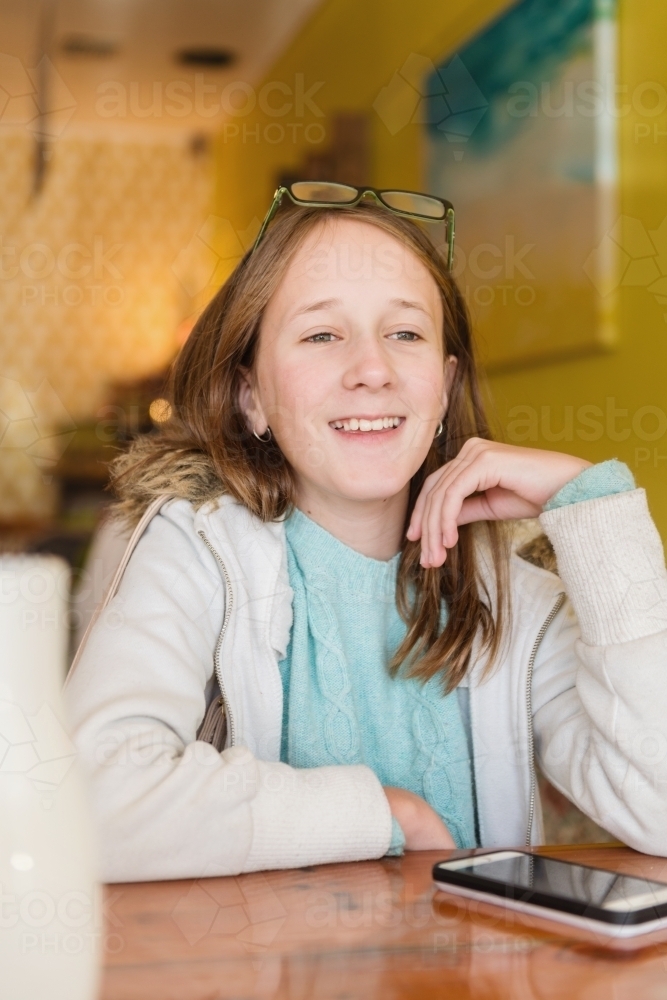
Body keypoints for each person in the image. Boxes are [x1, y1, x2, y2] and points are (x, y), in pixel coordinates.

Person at [66, 191, 667, 883]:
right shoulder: (193, 548)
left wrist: (591, 507)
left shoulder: (516, 588)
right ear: (250, 394)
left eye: (405, 333)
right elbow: (88, 799)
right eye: (322, 335)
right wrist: (383, 815)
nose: (372, 369)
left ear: (442, 390)